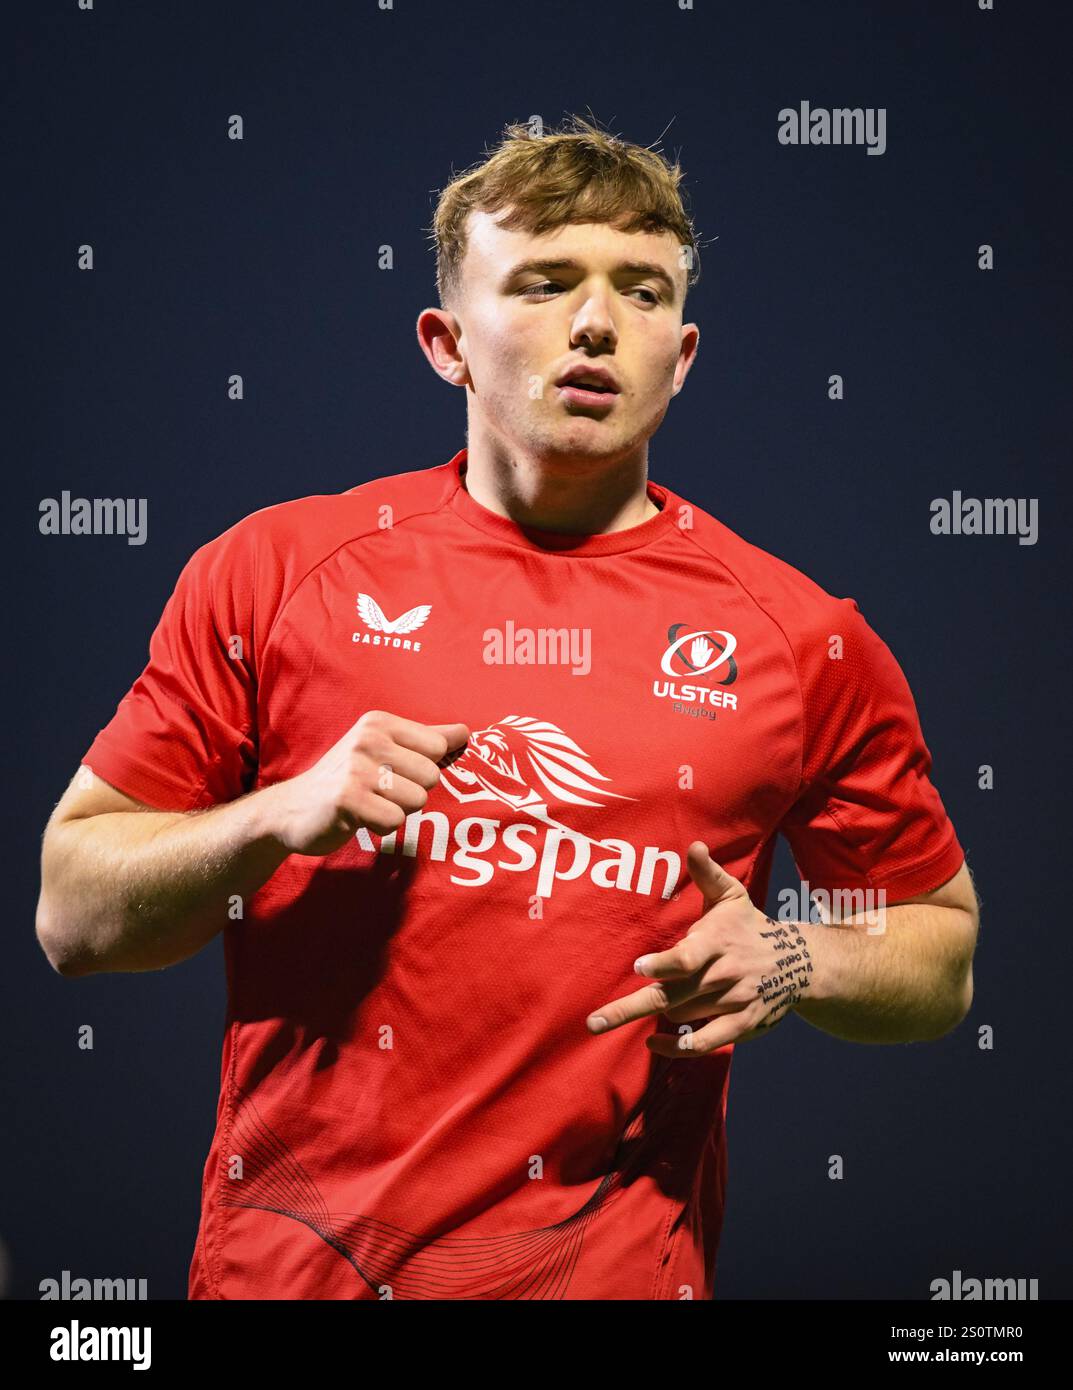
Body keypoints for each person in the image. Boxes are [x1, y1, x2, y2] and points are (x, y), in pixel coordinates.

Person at [35, 115, 979, 1301]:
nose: (596, 322)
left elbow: (936, 950)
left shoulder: (801, 637)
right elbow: (72, 915)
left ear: (681, 356)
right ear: (446, 343)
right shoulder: (274, 575)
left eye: (641, 292)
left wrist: (796, 954)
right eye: (543, 282)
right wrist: (275, 816)